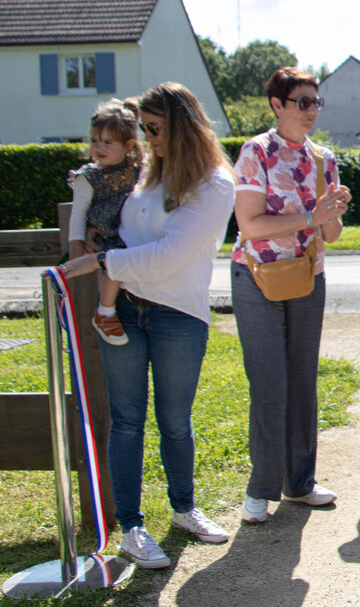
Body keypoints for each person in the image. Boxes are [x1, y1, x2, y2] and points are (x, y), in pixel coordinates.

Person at [55, 82, 235, 569]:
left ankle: (183, 509)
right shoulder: (148, 174)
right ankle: (132, 528)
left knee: (175, 421)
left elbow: (169, 257)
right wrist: (93, 232)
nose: (147, 138)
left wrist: (103, 260)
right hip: (126, 309)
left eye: (154, 129)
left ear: (178, 126)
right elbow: (115, 216)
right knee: (128, 420)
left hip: (178, 313)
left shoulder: (214, 184)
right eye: (144, 129)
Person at [232, 67, 351, 523]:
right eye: (302, 102)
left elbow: (333, 235)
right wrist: (310, 214)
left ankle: (299, 483)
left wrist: (332, 213)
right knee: (270, 384)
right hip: (258, 277)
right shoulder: (255, 152)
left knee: (302, 380)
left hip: (307, 276)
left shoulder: (323, 157)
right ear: (277, 105)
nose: (310, 111)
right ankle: (260, 490)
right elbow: (251, 225)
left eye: (315, 102)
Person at [68, 98, 144, 345]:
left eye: (108, 142)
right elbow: (78, 212)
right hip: (107, 234)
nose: (98, 147)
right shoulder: (88, 176)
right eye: (94, 141)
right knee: (114, 262)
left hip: (130, 231)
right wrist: (76, 244)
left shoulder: (138, 170)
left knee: (123, 262)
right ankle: (105, 311)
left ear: (128, 145)